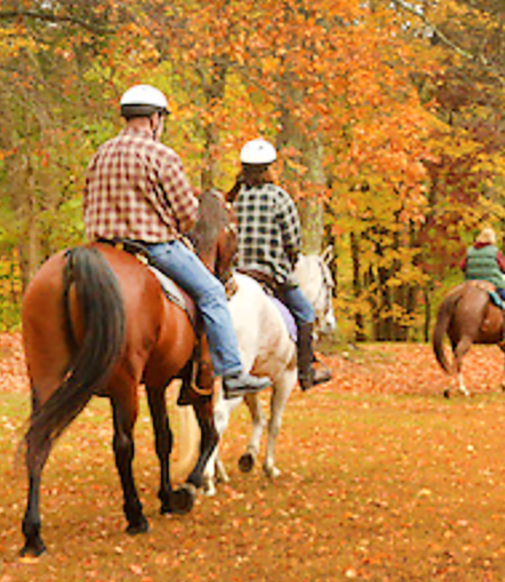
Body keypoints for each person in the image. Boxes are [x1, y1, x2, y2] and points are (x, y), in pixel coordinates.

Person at [83, 85, 270, 398]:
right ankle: (232, 372)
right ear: (156, 119)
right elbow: (187, 215)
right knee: (211, 292)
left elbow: (88, 200)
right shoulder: (162, 155)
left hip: (102, 247)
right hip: (153, 247)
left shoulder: (101, 152)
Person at [228, 138, 332, 391]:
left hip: (237, 273)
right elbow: (293, 242)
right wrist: (291, 259)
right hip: (270, 274)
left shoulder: (233, 198)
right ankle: (306, 373)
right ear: (269, 168)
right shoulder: (279, 197)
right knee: (306, 314)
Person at [458, 225, 505, 338]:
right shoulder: (494, 252)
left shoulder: (470, 251)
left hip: (472, 283)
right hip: (492, 283)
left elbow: (462, 266)